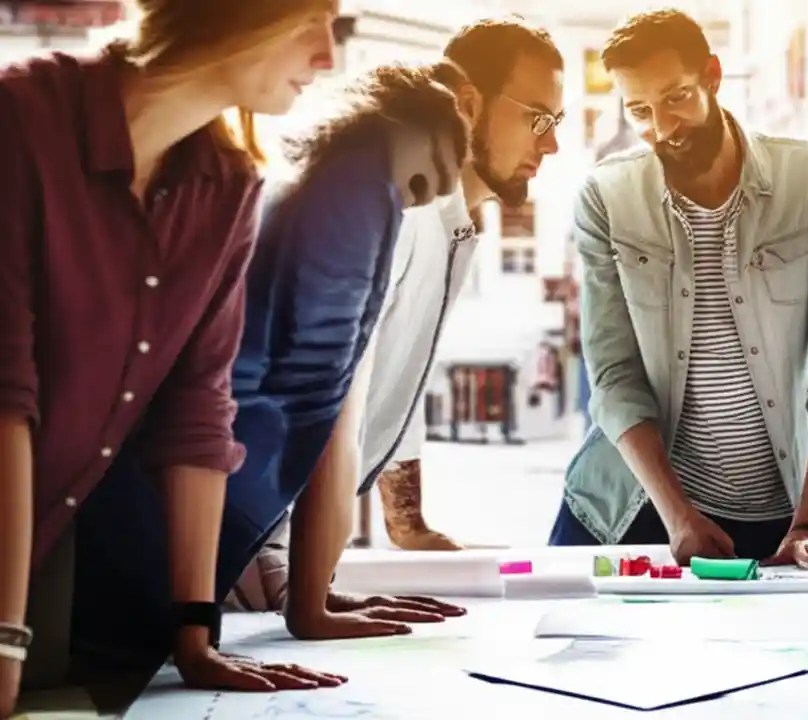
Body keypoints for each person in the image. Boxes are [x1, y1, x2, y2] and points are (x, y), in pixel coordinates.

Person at [70, 61, 473, 670]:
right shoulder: (362, 187)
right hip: (163, 525)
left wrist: (313, 601)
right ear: (399, 128)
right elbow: (321, 400)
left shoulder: (322, 179)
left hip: (158, 513)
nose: (419, 201)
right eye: (423, 181)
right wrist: (307, 608)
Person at [0, 1, 344, 715]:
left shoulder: (229, 186)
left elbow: (197, 409)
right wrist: (4, 641)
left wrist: (195, 635)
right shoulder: (21, 120)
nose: (327, 57)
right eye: (311, 21)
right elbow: (5, 395)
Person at [547, 9, 808, 567]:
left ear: (713, 76)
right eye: (640, 110)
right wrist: (678, 516)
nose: (663, 127)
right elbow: (613, 376)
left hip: (776, 517)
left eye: (676, 97)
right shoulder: (607, 197)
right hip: (633, 505)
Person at [359, 17, 565, 550]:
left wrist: (408, 526)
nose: (553, 145)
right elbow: (326, 392)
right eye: (539, 120)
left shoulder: (457, 223)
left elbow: (400, 374)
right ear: (469, 104)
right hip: (252, 530)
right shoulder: (404, 207)